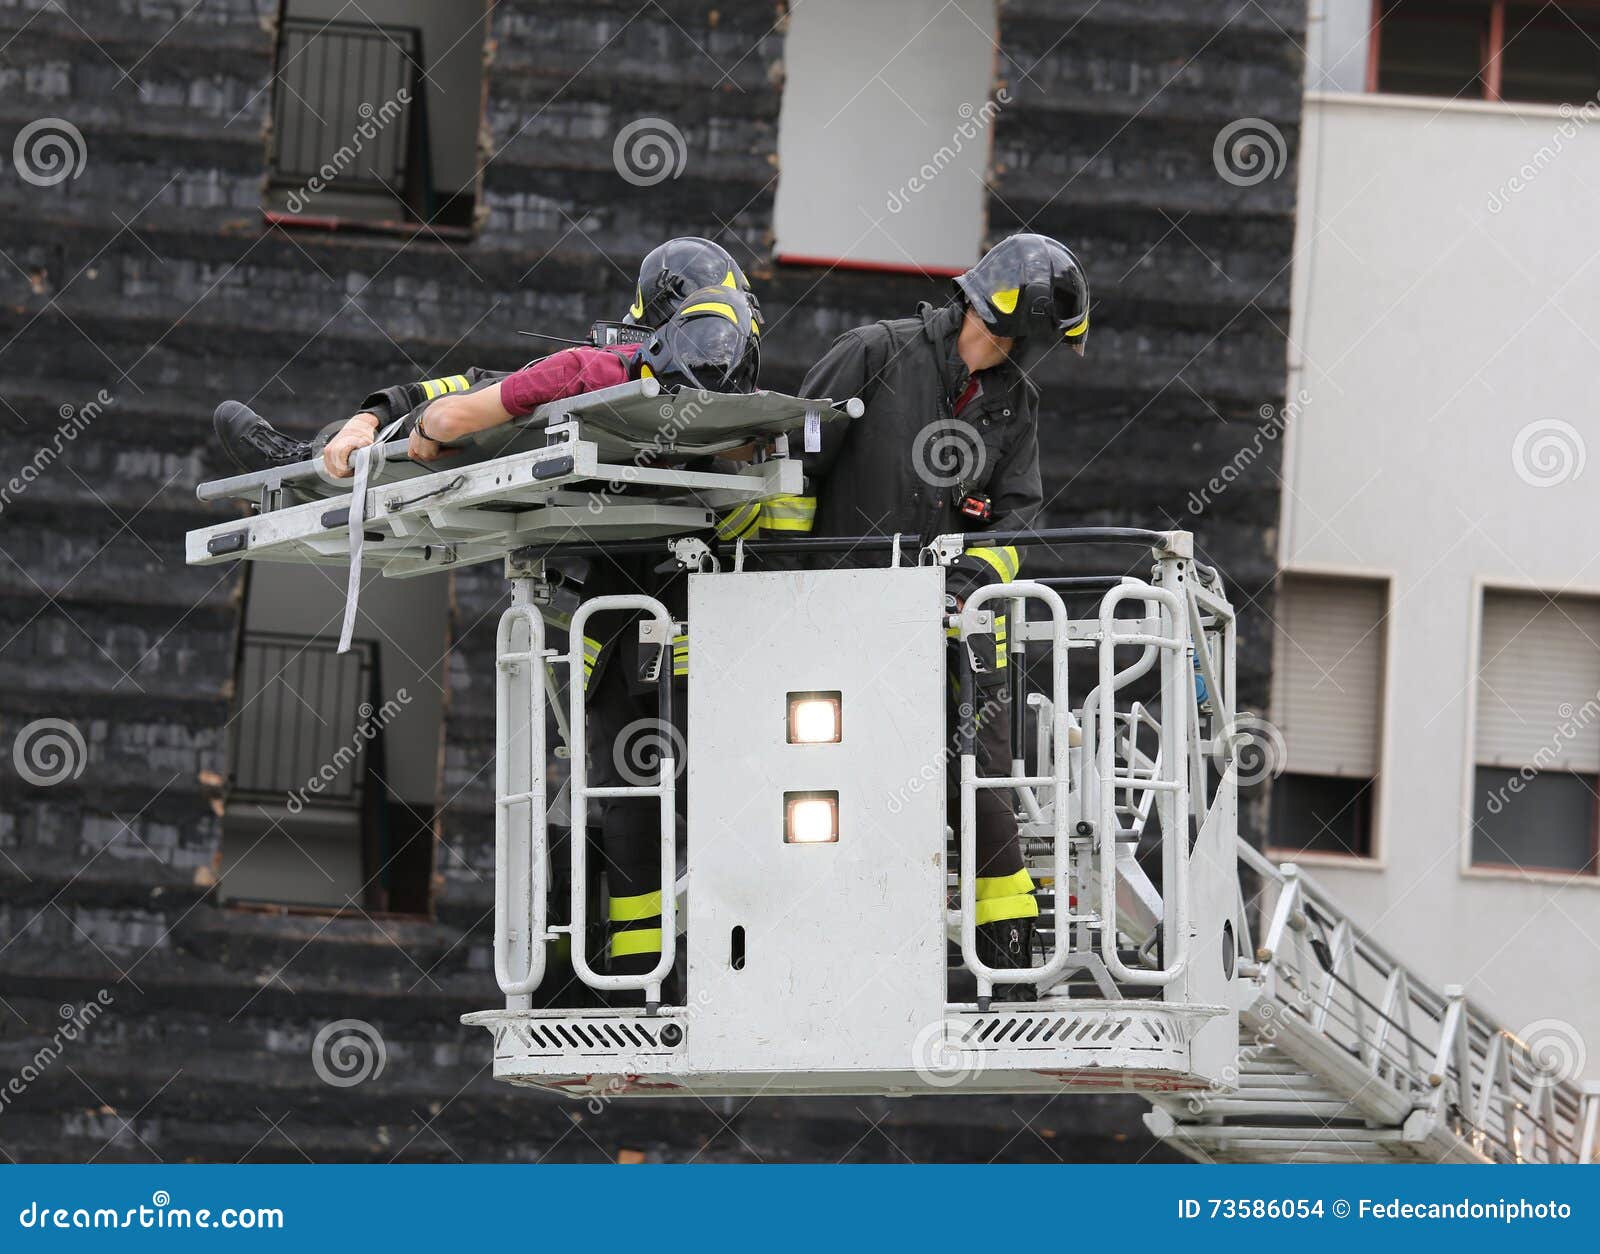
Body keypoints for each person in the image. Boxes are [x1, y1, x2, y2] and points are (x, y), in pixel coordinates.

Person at [792, 232, 1091, 998]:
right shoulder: (874, 356)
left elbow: (1019, 520)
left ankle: (1011, 966)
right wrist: (791, 594)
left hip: (955, 633)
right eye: (1036, 338)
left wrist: (970, 575)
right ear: (1001, 321)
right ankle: (832, 963)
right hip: (842, 629)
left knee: (982, 779)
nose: (1037, 355)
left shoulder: (1016, 401)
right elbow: (789, 469)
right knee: (837, 789)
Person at [211, 237, 759, 476]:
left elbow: (449, 411)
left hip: (450, 434)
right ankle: (343, 430)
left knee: (446, 396)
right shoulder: (743, 420)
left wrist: (418, 426)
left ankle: (301, 456)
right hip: (503, 416)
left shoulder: (586, 369)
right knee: (461, 385)